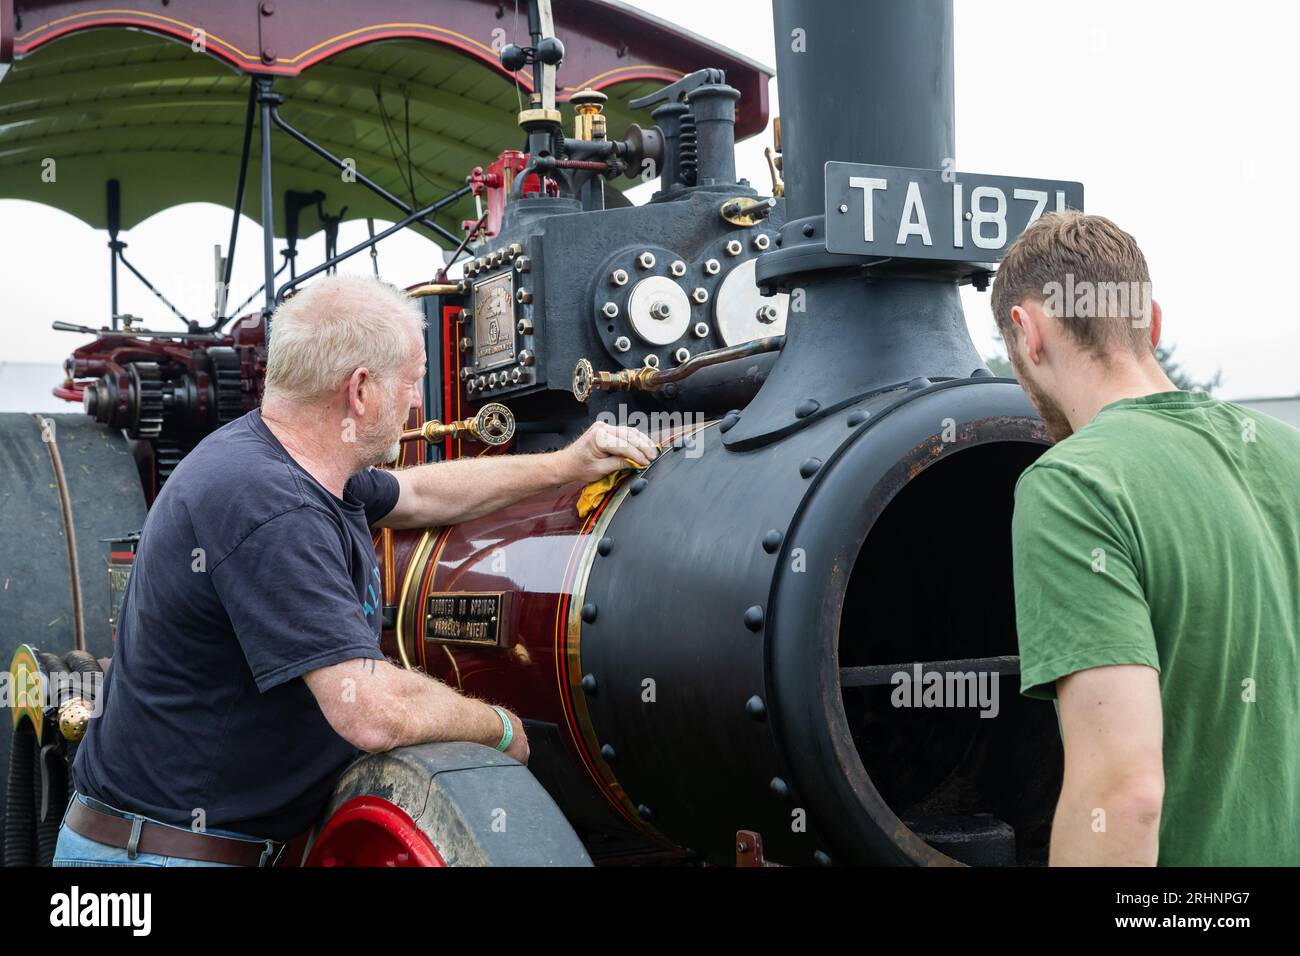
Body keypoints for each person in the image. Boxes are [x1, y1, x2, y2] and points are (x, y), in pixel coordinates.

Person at [53, 274, 657, 867]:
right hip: (164, 858)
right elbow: (369, 709)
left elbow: (424, 494)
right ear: (361, 390)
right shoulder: (269, 503)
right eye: (413, 382)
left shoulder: (293, 461)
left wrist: (569, 465)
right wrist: (499, 726)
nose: (418, 402)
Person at [991, 210, 1299, 866]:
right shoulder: (1290, 453)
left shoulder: (1074, 485)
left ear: (1028, 331)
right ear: (1151, 322)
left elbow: (1123, 795)